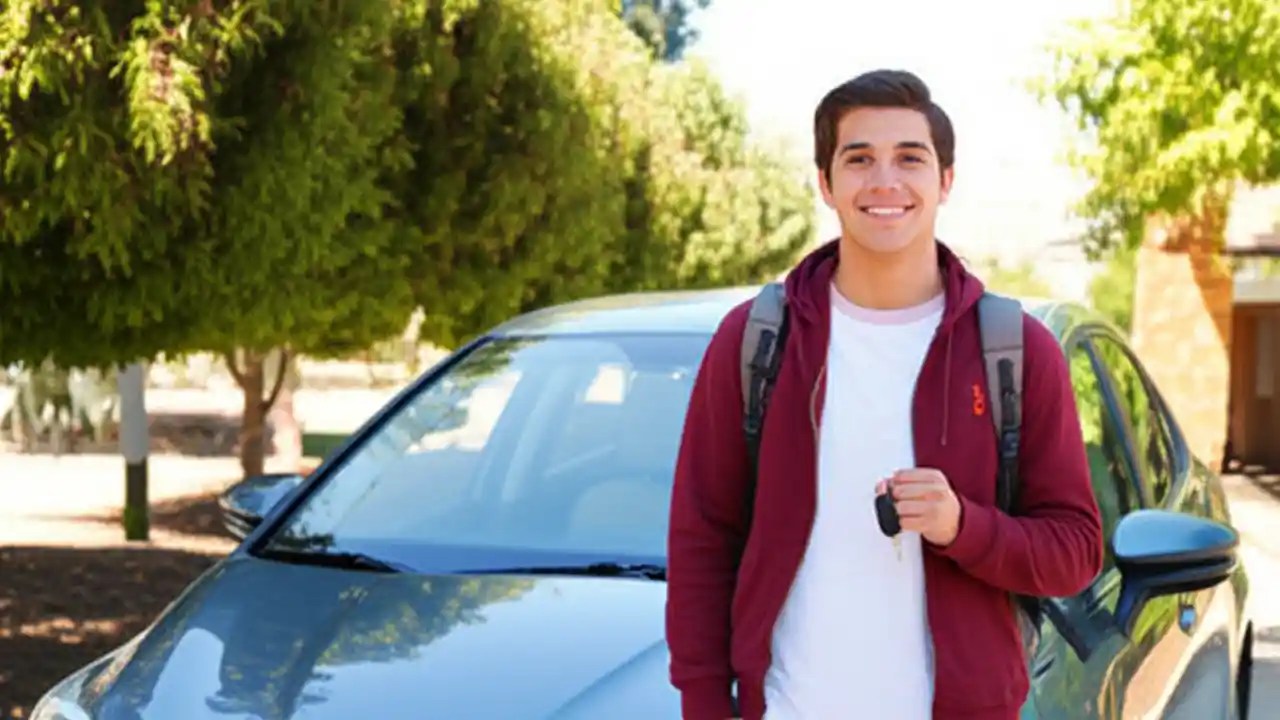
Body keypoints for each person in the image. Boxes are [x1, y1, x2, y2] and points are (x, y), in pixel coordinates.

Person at [664, 69, 1104, 720]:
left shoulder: (1015, 351)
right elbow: (701, 537)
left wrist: (964, 526)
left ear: (945, 181)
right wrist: (705, 707)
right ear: (826, 183)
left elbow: (1074, 552)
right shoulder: (756, 342)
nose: (885, 181)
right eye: (859, 159)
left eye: (910, 158)